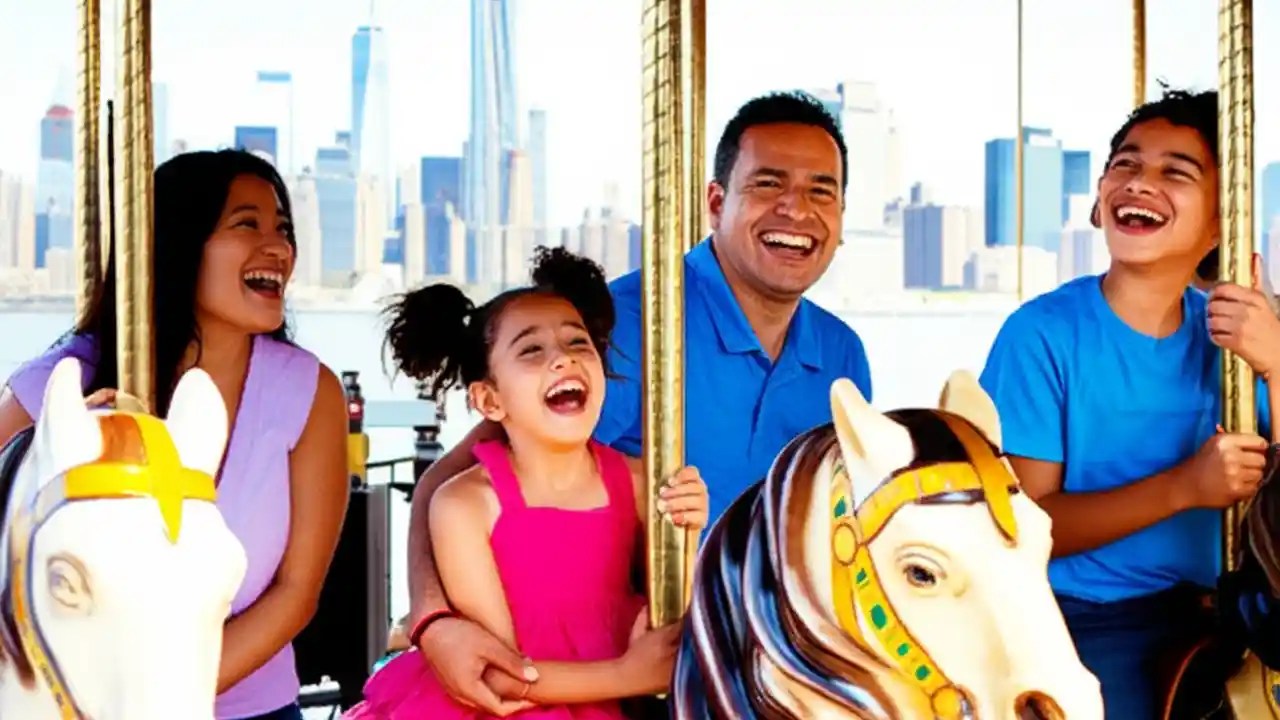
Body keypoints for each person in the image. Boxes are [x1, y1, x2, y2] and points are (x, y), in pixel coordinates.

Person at [400, 91, 874, 713]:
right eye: (767, 183)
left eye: (822, 190)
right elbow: (449, 483)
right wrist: (433, 621)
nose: (797, 209)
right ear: (715, 201)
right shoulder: (621, 325)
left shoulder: (841, 354)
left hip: (770, 677)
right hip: (631, 674)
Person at [0, 149, 350, 720]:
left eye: (283, 228)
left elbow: (296, 592)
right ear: (182, 242)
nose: (278, 247)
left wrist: (162, 699)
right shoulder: (67, 381)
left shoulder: (309, 394)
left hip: (247, 708)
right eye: (247, 224)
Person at [979, 87, 1280, 718]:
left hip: (1222, 606)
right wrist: (1185, 488)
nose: (1141, 183)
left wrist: (1276, 363)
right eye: (1126, 164)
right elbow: (1026, 525)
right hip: (1088, 617)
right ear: (1098, 200)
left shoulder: (1229, 336)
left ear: (1222, 218)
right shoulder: (1043, 335)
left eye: (1176, 172)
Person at [345, 247, 709, 719]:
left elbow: (676, 608)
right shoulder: (465, 505)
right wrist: (626, 674)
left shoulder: (641, 481)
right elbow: (496, 675)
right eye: (532, 350)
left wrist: (689, 526)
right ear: (489, 400)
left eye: (579, 344)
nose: (563, 360)